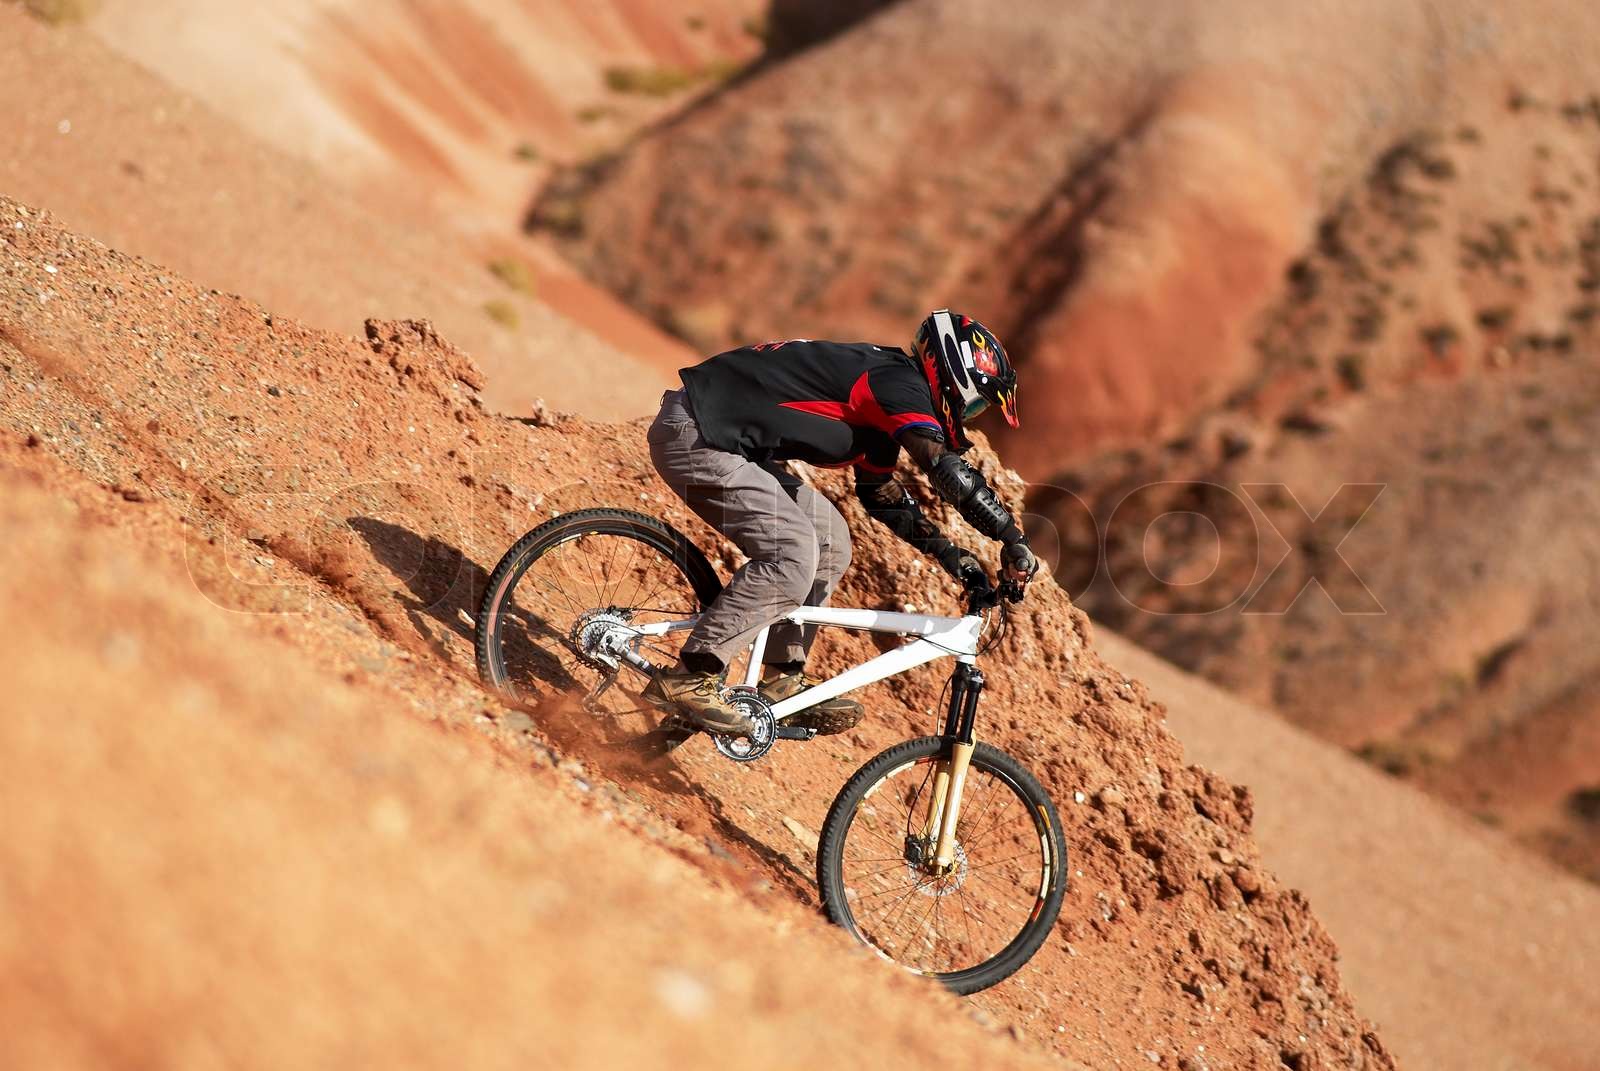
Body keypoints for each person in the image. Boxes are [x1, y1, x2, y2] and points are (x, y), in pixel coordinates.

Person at [642, 310, 1039, 735]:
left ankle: (783, 680)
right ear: (952, 375)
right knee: (792, 555)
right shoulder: (898, 385)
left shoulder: (890, 398)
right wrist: (1010, 535)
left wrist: (951, 556)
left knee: (831, 542)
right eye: (975, 402)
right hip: (697, 437)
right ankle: (691, 675)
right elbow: (943, 468)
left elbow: (880, 495)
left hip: (722, 442)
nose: (971, 415)